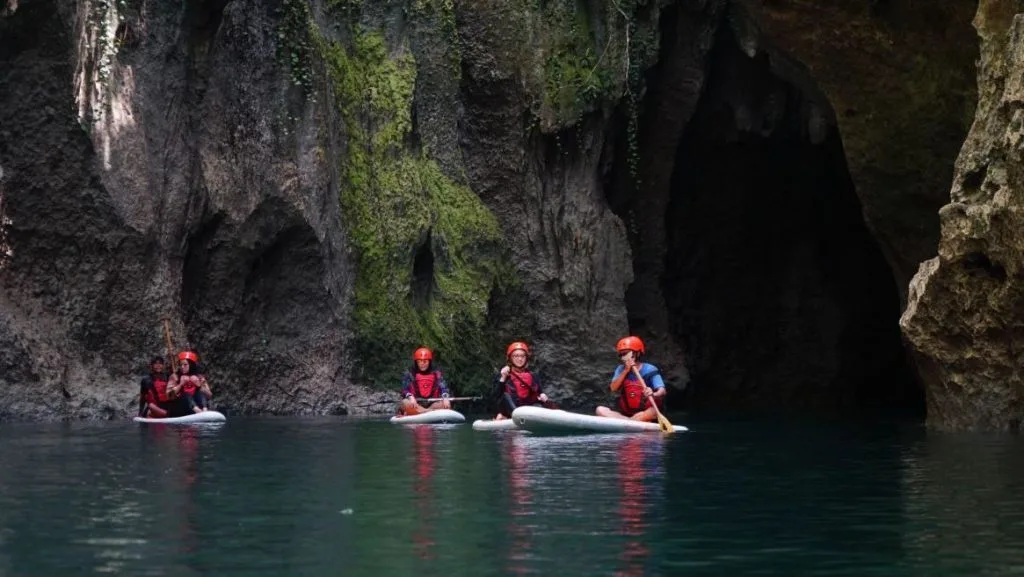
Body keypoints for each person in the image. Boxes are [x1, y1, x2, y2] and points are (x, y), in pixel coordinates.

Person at [596, 336, 666, 422]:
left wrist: (653, 394)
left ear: (637, 353)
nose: (623, 357)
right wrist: (626, 370)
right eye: (621, 354)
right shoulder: (620, 369)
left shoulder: (649, 369)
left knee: (653, 412)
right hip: (626, 414)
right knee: (600, 410)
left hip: (645, 412)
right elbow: (613, 388)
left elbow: (662, 391)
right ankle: (631, 421)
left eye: (626, 353)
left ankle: (629, 421)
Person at [493, 341, 549, 420]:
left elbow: (540, 393)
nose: (520, 359)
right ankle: (503, 416)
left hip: (528, 411)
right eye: (516, 356)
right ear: (510, 358)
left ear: (526, 358)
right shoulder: (502, 374)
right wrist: (503, 378)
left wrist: (543, 396)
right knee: (505, 396)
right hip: (511, 411)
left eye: (523, 356)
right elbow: (495, 397)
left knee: (539, 404)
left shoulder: (533, 376)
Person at [399, 347, 451, 415]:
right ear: (416, 362)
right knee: (405, 402)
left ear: (429, 362)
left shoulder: (436, 374)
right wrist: (410, 397)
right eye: (419, 361)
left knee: (445, 404)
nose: (422, 364)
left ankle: (423, 412)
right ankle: (429, 412)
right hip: (416, 404)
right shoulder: (410, 373)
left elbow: (443, 388)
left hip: (432, 404)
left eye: (425, 361)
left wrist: (445, 397)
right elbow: (404, 390)